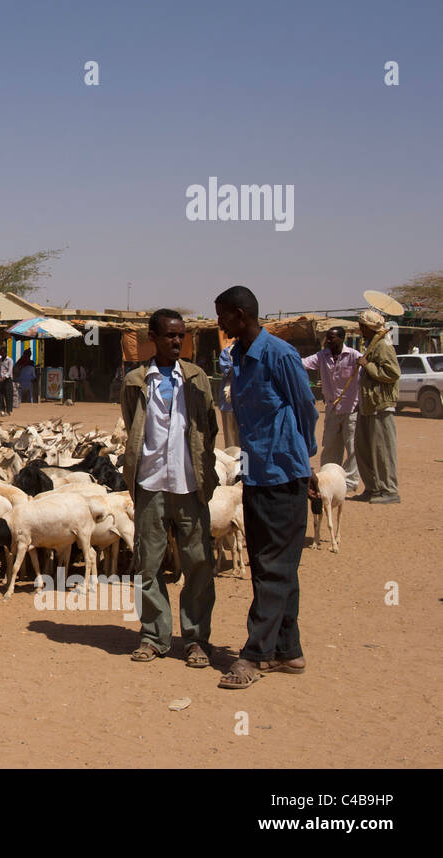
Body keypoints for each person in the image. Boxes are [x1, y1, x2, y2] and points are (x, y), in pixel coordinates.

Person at [214, 285, 318, 689]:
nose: (220, 323)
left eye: (223, 315)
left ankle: (254, 655)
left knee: (274, 566)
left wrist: (301, 459)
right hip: (255, 473)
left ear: (241, 315)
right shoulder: (237, 358)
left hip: (284, 475)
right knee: (270, 566)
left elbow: (305, 408)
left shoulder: (279, 354)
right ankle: (288, 651)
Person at [122, 310, 220, 667]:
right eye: (169, 337)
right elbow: (132, 424)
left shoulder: (196, 378)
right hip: (150, 482)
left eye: (181, 337)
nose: (177, 342)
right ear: (153, 338)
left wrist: (203, 467)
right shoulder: (135, 380)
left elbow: (209, 425)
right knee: (147, 564)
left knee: (198, 564)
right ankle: (153, 636)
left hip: (189, 482)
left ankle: (196, 639)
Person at [301, 327, 361, 492]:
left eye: (332, 338)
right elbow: (303, 363)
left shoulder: (355, 356)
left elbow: (365, 377)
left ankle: (349, 482)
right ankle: (327, 480)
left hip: (351, 409)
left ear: (342, 338)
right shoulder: (322, 356)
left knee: (352, 448)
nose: (328, 341)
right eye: (327, 338)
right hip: (332, 408)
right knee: (330, 446)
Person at [352, 310, 401, 504]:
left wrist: (367, 365)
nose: (360, 329)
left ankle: (389, 490)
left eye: (362, 326)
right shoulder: (372, 344)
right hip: (368, 404)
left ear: (369, 327)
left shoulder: (383, 345)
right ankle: (372, 488)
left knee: (382, 450)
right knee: (362, 448)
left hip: (380, 405)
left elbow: (392, 373)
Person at [217, 343, 239, 448]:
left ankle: (245, 464)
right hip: (228, 402)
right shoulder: (227, 352)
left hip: (247, 403)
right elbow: (228, 371)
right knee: (231, 441)